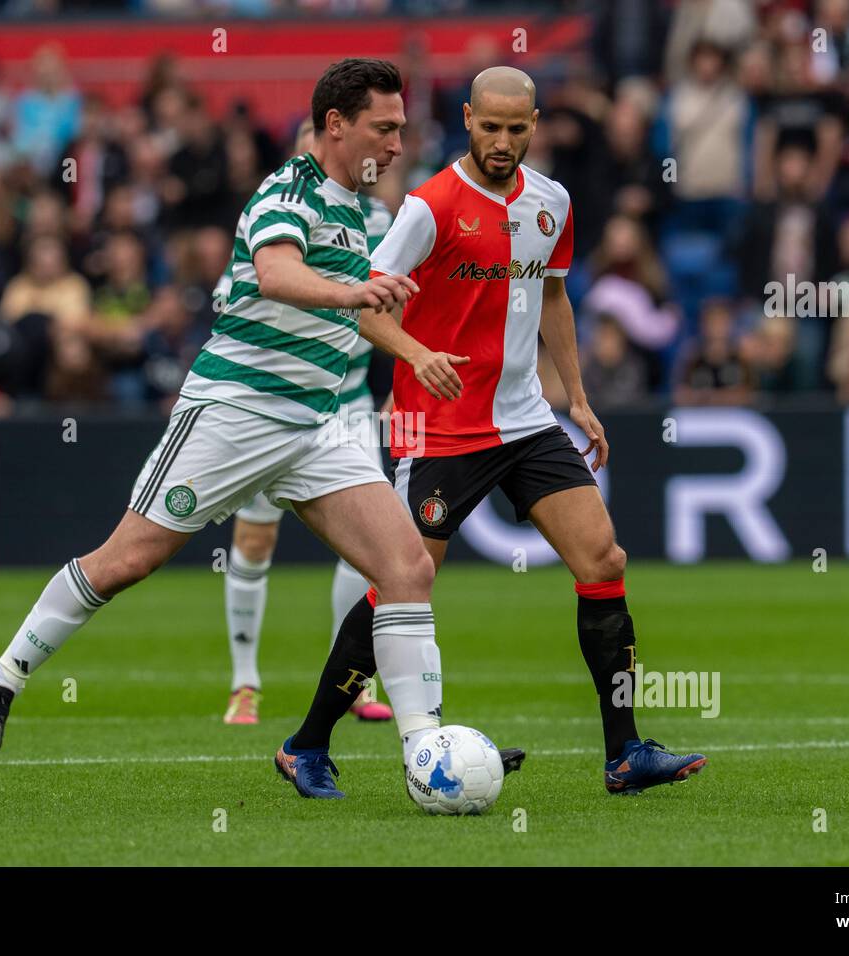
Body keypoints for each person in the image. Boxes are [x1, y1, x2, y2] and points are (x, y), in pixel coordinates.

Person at [0, 59, 493, 803]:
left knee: (407, 570)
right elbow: (277, 275)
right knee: (126, 561)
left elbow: (365, 311)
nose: (399, 143)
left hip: (317, 427)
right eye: (386, 127)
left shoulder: (363, 211)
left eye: (401, 127)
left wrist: (416, 351)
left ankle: (426, 750)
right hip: (235, 413)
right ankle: (0, 682)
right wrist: (352, 289)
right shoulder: (288, 191)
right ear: (336, 126)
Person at [280, 66, 707, 797]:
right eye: (490, 127)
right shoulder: (429, 206)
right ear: (469, 119)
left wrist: (577, 396)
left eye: (517, 129)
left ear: (535, 123)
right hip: (441, 427)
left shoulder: (552, 202)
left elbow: (554, 296)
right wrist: (418, 355)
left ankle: (625, 753)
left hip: (526, 421)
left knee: (602, 560)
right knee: (403, 583)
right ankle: (307, 744)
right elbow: (370, 307)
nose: (503, 142)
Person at [217, 117, 392, 726]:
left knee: (369, 546)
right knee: (256, 539)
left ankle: (352, 682)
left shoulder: (380, 222)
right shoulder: (277, 211)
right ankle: (245, 682)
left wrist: (398, 381)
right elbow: (237, 294)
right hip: (277, 404)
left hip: (347, 404)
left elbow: (396, 304)